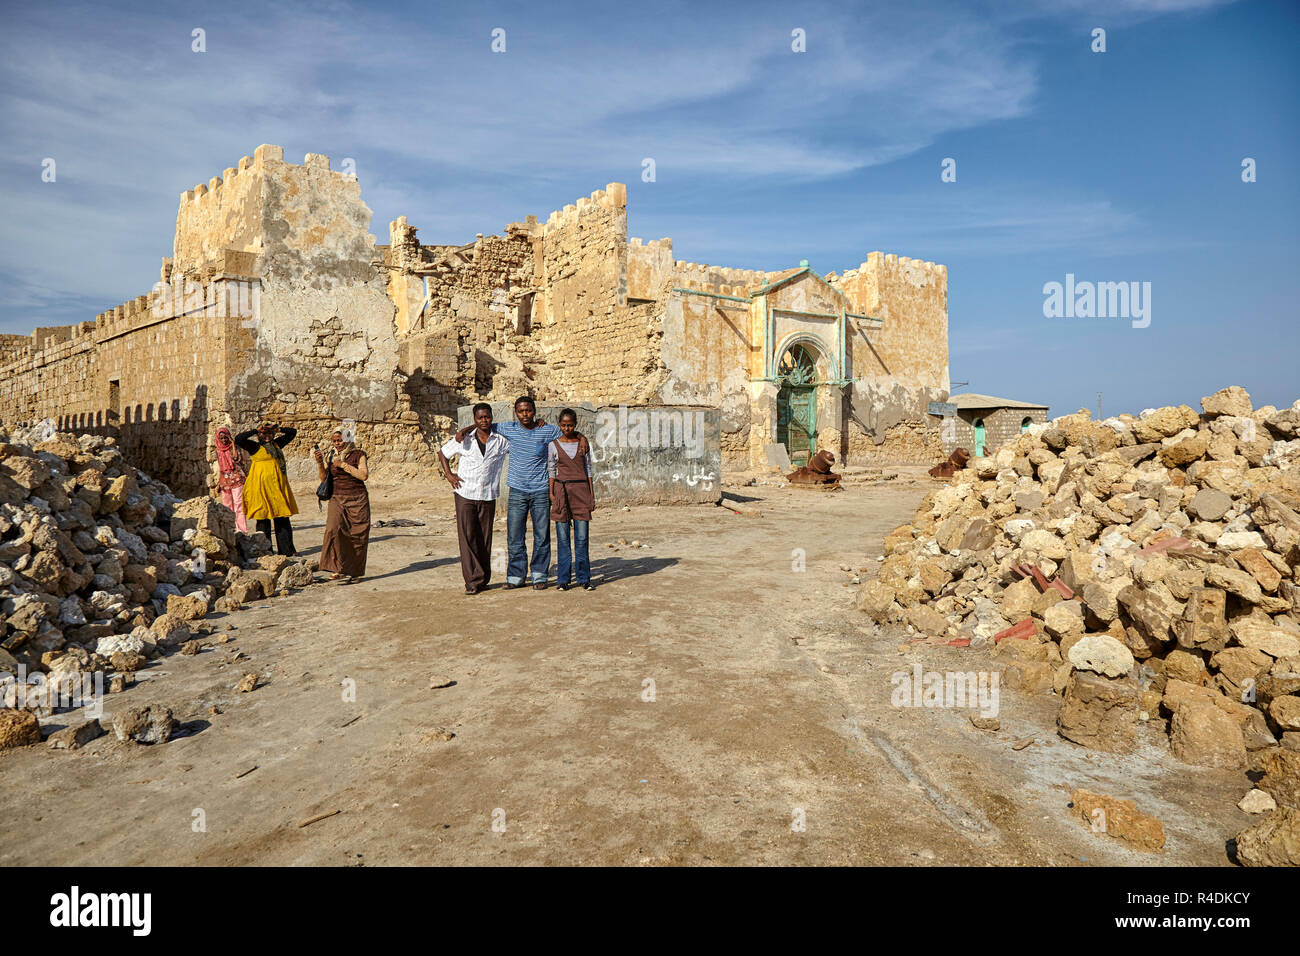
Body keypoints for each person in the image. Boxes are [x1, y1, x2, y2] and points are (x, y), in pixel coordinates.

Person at [456, 396, 586, 590]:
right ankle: (516, 576)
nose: (525, 415)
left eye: (528, 410)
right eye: (521, 411)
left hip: (541, 491)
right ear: (516, 413)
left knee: (541, 536)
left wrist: (582, 438)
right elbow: (483, 424)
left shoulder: (547, 430)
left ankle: (539, 575)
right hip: (516, 490)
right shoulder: (508, 428)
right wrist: (464, 430)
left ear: (535, 411)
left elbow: (568, 430)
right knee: (515, 536)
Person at [439, 403, 509, 594]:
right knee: (467, 537)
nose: (484, 421)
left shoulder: (501, 441)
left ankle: (483, 578)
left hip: (488, 494)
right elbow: (443, 453)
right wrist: (449, 475)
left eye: (487, 417)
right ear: (474, 419)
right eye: (480, 418)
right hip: (465, 493)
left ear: (492, 417)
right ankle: (471, 581)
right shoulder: (465, 439)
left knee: (485, 538)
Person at [548, 408, 596, 591]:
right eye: (563, 425)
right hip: (561, 492)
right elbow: (551, 470)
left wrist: (591, 494)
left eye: (570, 425)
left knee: (582, 538)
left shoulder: (583, 444)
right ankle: (563, 579)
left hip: (581, 492)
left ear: (575, 425)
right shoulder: (553, 445)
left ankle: (584, 578)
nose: (567, 428)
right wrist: (552, 493)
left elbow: (589, 469)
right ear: (559, 425)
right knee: (562, 538)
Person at [315, 429, 370, 584]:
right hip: (337, 498)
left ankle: (354, 572)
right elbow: (324, 478)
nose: (337, 444)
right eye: (334, 441)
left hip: (357, 499)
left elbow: (363, 475)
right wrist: (320, 463)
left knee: (357, 535)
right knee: (333, 529)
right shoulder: (330, 455)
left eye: (339, 440)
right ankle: (335, 568)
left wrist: (344, 465)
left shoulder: (359, 454)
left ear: (347, 440)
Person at [236, 420, 299, 555]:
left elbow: (292, 433)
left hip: (278, 488)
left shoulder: (277, 445)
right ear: (259, 435)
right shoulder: (255, 447)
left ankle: (286, 551)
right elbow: (239, 439)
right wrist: (256, 430)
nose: (267, 436)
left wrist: (277, 428)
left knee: (282, 518)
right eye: (264, 434)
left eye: (270, 434)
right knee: (263, 520)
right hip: (261, 489)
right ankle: (266, 551)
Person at [212, 425, 248, 533]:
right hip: (225, 480)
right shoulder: (218, 451)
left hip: (236, 478)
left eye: (226, 437)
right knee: (227, 505)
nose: (224, 440)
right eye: (221, 438)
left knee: (239, 503)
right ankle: (230, 527)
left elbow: (236, 458)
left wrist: (232, 444)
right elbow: (220, 468)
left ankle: (241, 529)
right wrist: (219, 482)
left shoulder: (234, 447)